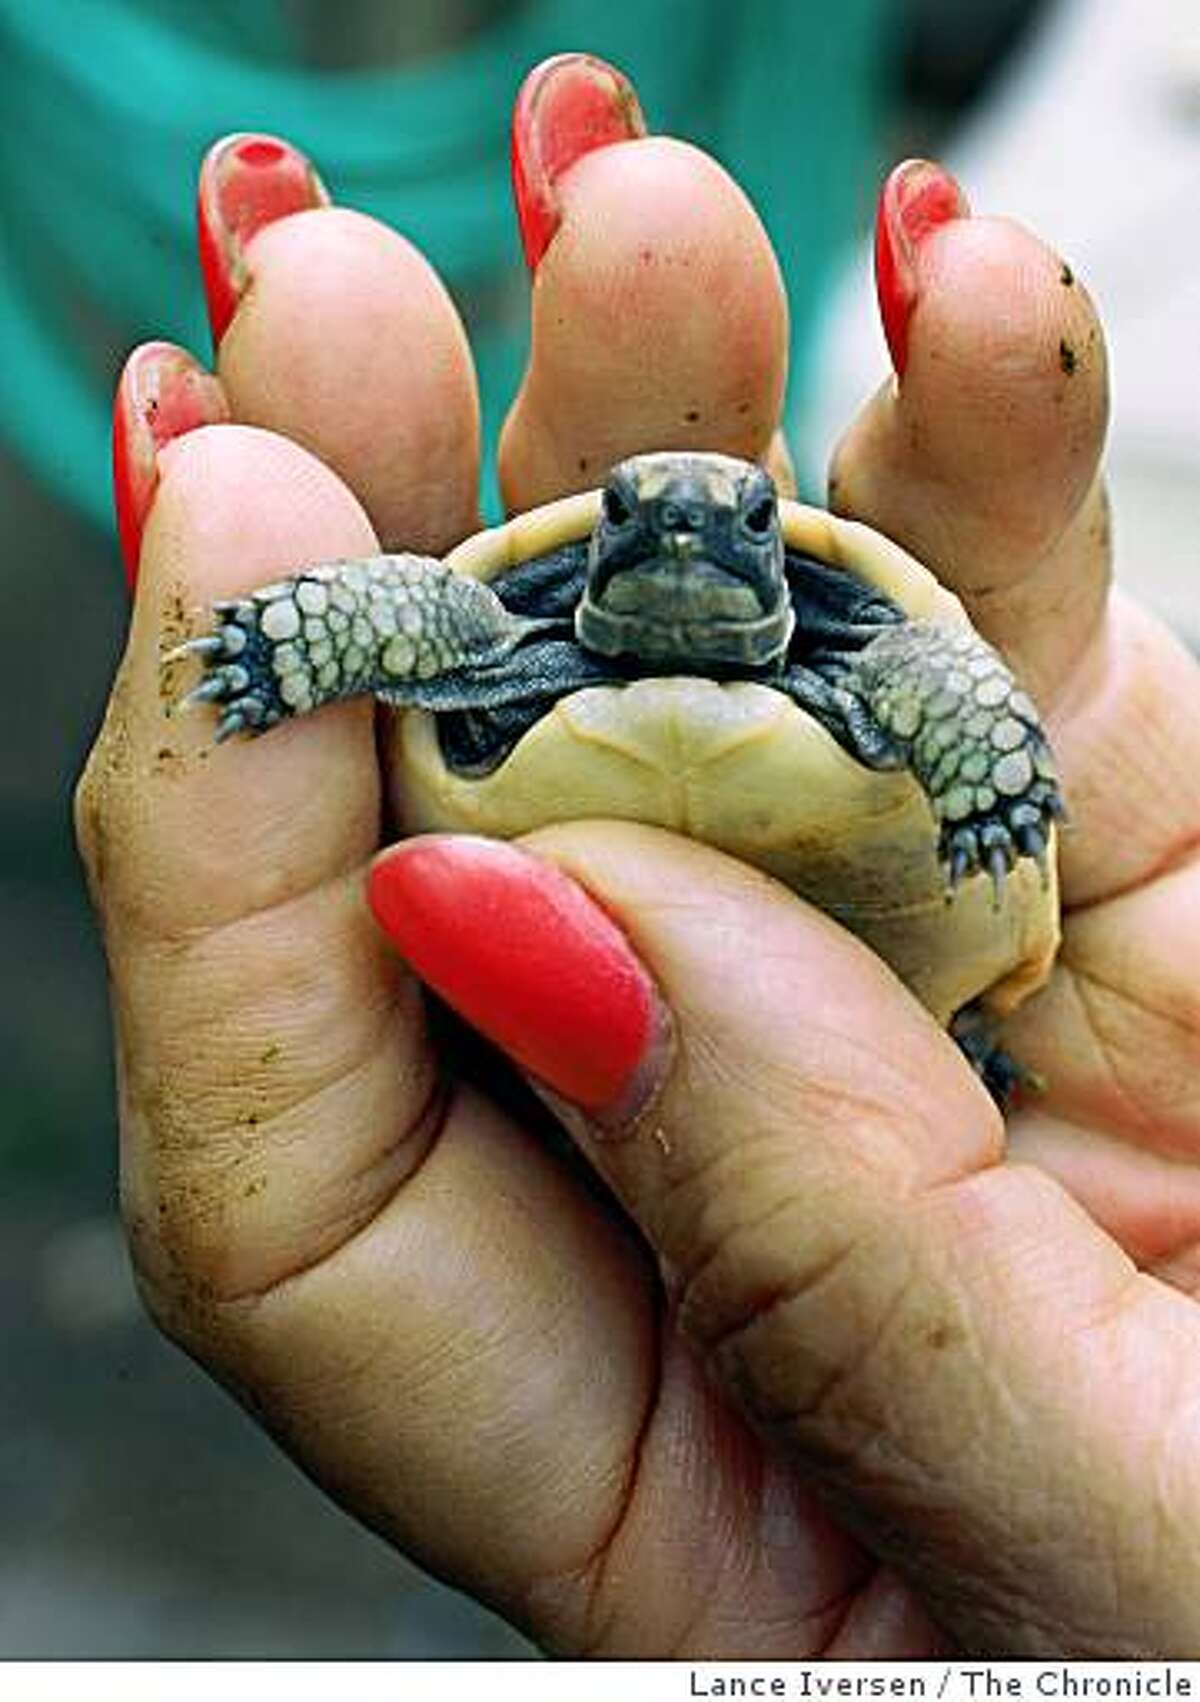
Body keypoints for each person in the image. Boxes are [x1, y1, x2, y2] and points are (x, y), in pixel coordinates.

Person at [77, 54, 1200, 1658]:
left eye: (726, 527)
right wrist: (299, 635)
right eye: (641, 529)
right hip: (567, 983)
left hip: (898, 983)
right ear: (601, 556)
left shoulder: (876, 659)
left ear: (766, 551)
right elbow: (429, 605)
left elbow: (957, 685)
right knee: (315, 569)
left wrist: (991, 783)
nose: (682, 533)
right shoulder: (498, 624)